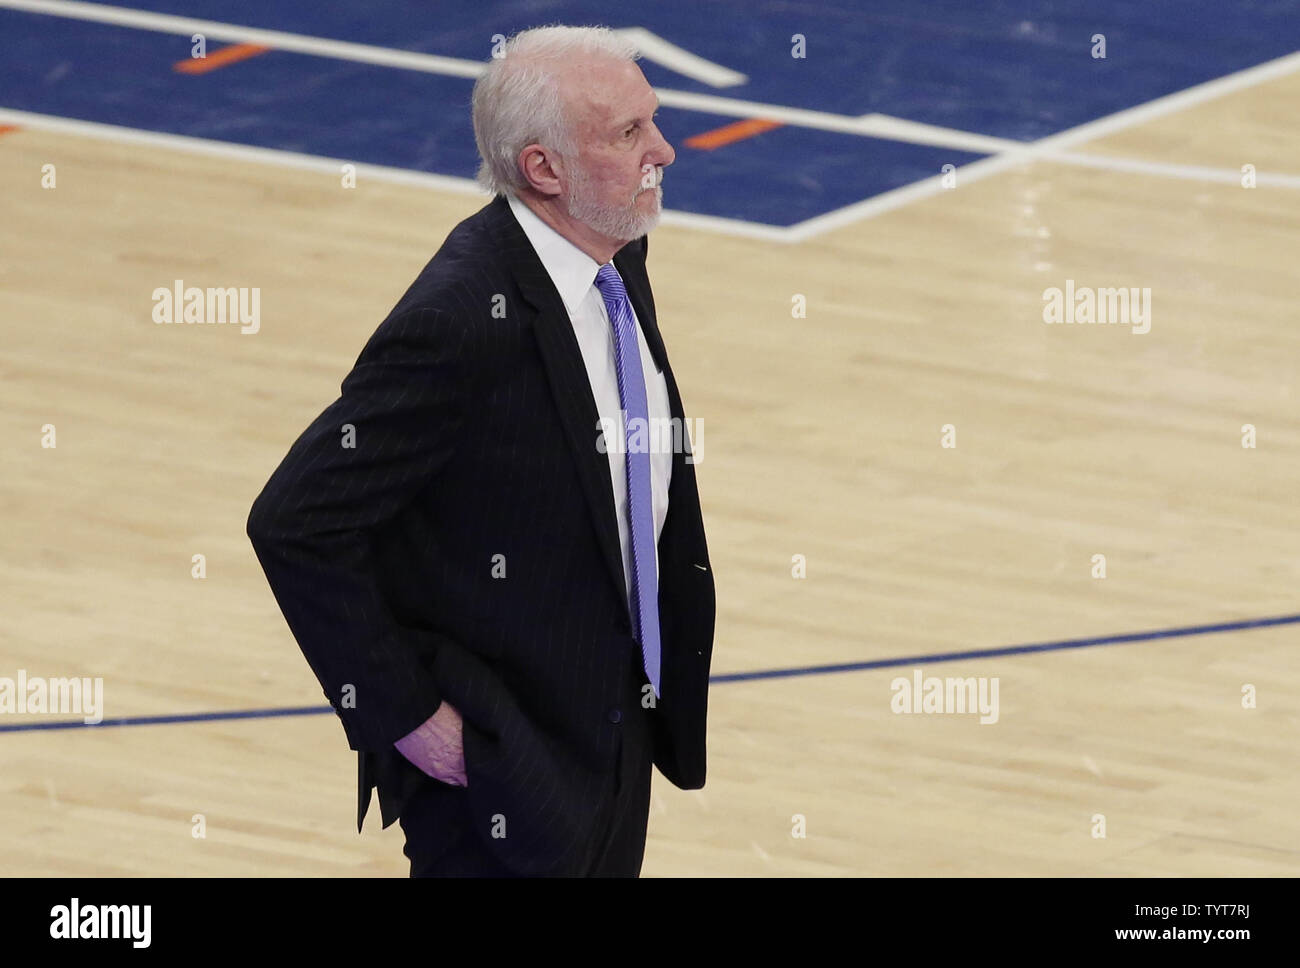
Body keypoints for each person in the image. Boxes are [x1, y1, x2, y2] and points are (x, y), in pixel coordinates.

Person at [245, 24, 715, 877]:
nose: (665, 151)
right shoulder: (457, 321)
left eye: (653, 121)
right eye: (629, 133)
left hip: (608, 726)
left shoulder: (609, 253)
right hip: (504, 757)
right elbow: (294, 523)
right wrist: (409, 716)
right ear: (545, 171)